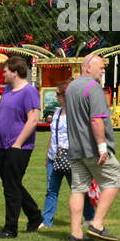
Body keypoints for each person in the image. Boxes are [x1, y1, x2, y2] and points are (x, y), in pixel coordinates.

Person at [0, 55, 43, 239]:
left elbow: (33, 120)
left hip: (18, 147)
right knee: (13, 184)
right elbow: (5, 115)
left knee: (10, 188)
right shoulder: (7, 91)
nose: (3, 74)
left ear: (16, 72)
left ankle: (10, 229)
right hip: (3, 145)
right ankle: (34, 217)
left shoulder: (29, 91)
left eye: (6, 71)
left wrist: (18, 143)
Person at [64, 54, 120, 241]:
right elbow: (96, 119)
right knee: (113, 181)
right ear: (87, 68)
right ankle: (97, 224)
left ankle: (75, 233)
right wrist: (102, 147)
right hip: (93, 149)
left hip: (75, 148)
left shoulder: (71, 87)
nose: (103, 70)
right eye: (101, 67)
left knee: (78, 190)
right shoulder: (93, 88)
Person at [41, 79, 96, 229]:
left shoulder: (77, 113)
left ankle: (90, 217)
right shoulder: (58, 112)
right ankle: (46, 221)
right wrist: (48, 156)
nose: (56, 97)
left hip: (72, 158)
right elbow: (53, 136)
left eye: (58, 94)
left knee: (78, 190)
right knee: (51, 190)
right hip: (55, 157)